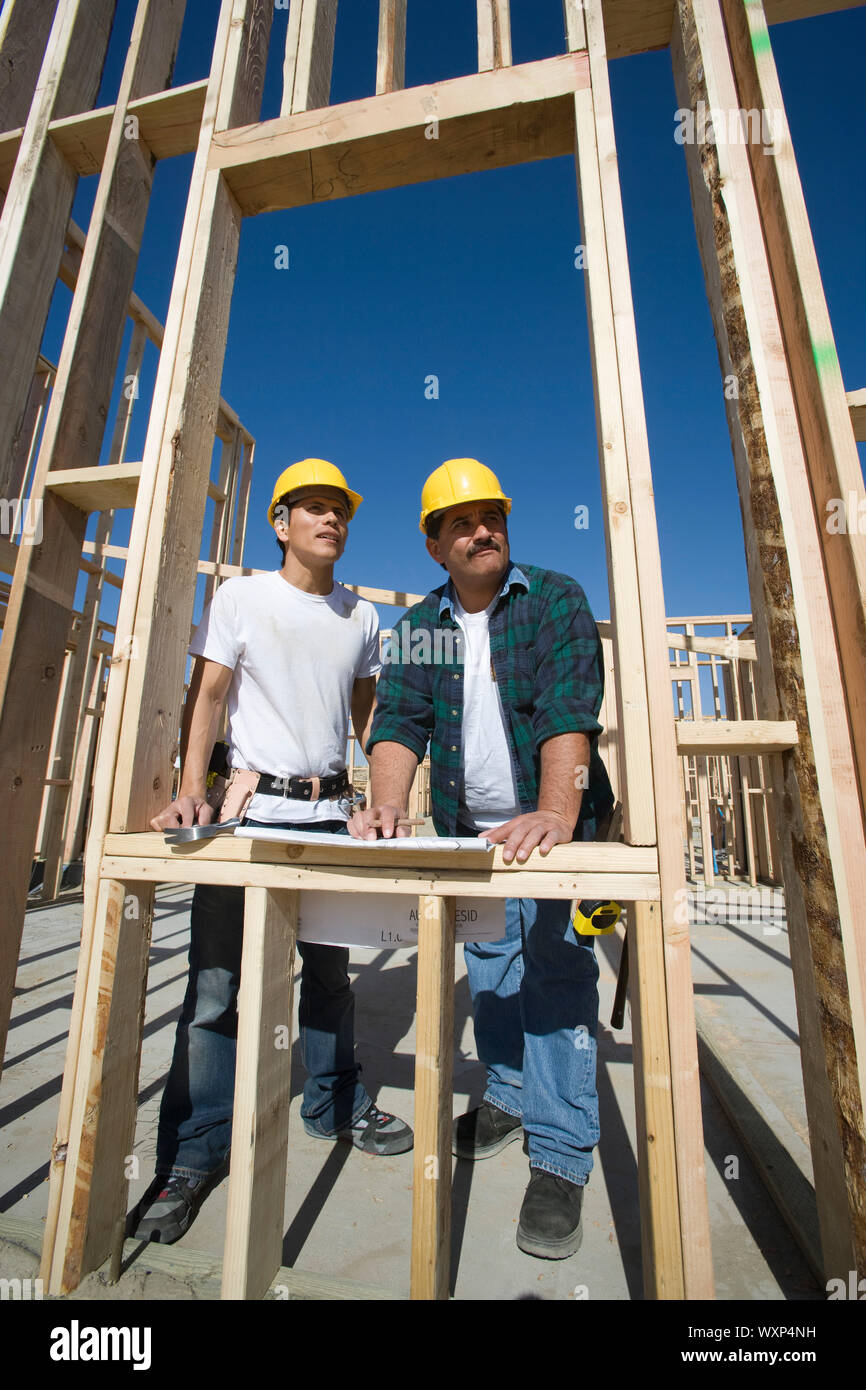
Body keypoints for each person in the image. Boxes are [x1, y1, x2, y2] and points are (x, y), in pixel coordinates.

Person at [129, 458, 413, 1245]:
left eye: (340, 510)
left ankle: (334, 1102)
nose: (330, 519)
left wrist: (386, 802)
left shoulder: (361, 617)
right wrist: (194, 789)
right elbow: (210, 696)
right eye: (313, 508)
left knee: (329, 973)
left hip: (329, 815)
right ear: (281, 524)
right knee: (219, 986)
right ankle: (193, 1154)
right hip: (253, 810)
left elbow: (367, 717)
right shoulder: (241, 597)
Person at [350, 459, 613, 1260]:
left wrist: (556, 815)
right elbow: (399, 718)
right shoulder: (420, 627)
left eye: (491, 515)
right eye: (461, 523)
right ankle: (506, 1093)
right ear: (434, 547)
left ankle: (562, 1155)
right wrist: (389, 803)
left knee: (559, 973)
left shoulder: (554, 597)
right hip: (473, 831)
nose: (482, 530)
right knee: (492, 966)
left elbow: (570, 709)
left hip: (559, 823)